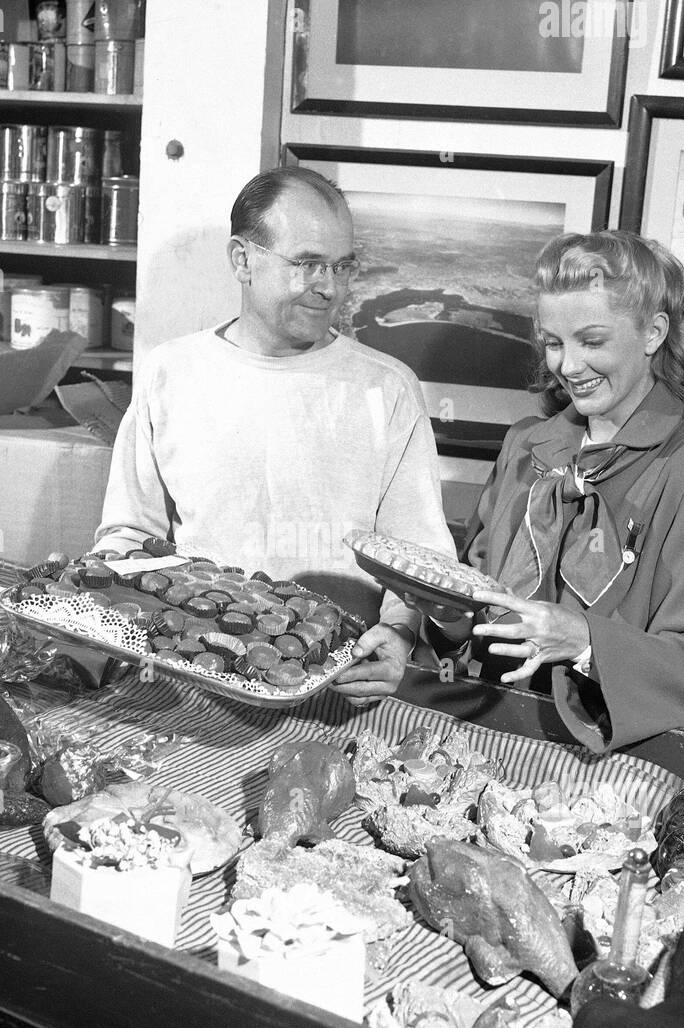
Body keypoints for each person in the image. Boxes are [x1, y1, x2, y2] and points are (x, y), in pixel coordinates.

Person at [95, 166, 456, 701]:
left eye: (341, 266)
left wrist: (399, 635)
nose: (329, 288)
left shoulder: (387, 389)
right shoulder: (171, 373)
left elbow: (420, 560)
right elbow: (129, 537)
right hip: (191, 681)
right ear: (242, 259)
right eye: (308, 264)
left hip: (339, 684)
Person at [414, 231, 684, 753]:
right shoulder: (524, 447)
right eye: (554, 343)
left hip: (615, 771)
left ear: (653, 332)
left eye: (592, 341)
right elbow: (474, 619)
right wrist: (446, 618)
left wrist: (585, 643)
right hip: (484, 744)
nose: (569, 366)